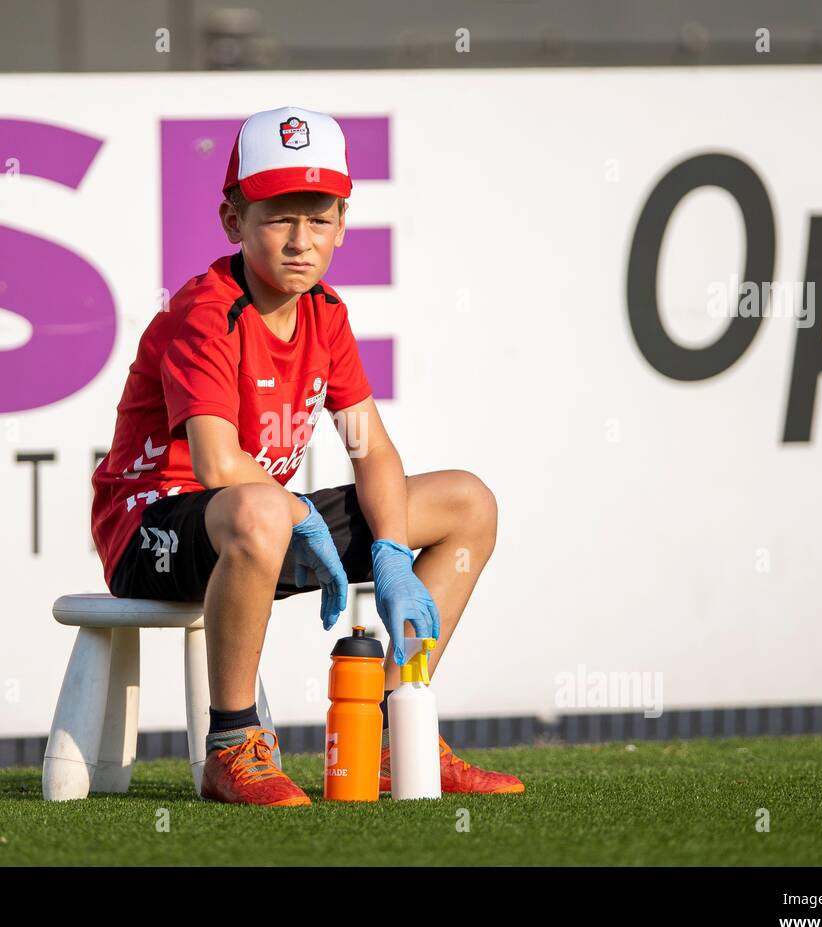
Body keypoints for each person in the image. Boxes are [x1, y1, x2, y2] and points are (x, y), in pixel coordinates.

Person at [90, 106, 522, 806]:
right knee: (261, 508)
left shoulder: (326, 314)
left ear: (343, 224)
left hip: (260, 524)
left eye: (319, 218)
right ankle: (232, 744)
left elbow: (370, 448)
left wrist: (389, 549)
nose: (300, 240)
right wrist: (295, 514)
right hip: (153, 531)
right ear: (234, 221)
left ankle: (390, 731)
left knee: (466, 502)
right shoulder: (207, 310)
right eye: (278, 217)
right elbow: (214, 462)